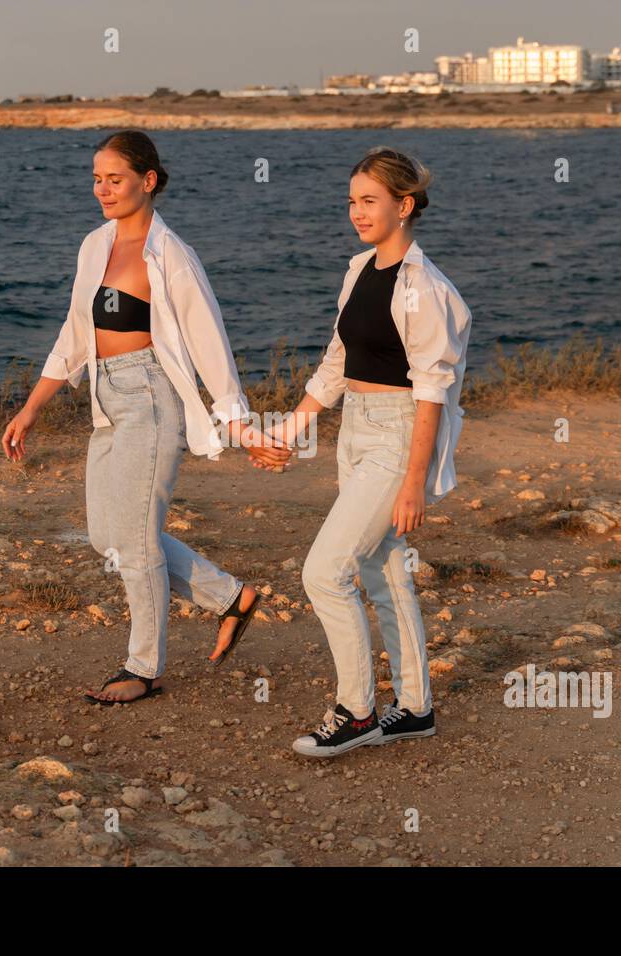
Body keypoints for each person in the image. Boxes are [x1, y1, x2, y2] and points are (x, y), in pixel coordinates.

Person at [2, 130, 291, 704]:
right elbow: (74, 334)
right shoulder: (94, 245)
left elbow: (211, 344)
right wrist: (33, 406)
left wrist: (239, 425)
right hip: (105, 400)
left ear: (148, 180)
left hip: (153, 399)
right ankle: (230, 598)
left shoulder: (172, 256)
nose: (102, 190)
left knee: (134, 544)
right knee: (109, 538)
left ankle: (145, 667)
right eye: (96, 178)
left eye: (114, 179)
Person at [258, 147, 472, 756]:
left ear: (404, 206)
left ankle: (356, 712)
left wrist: (414, 481)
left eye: (369, 201)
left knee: (325, 573)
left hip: (399, 435)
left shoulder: (424, 288)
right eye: (352, 200)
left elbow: (432, 391)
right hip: (355, 427)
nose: (356, 212)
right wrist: (295, 427)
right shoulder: (359, 269)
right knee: (383, 570)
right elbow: (338, 359)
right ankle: (414, 708)